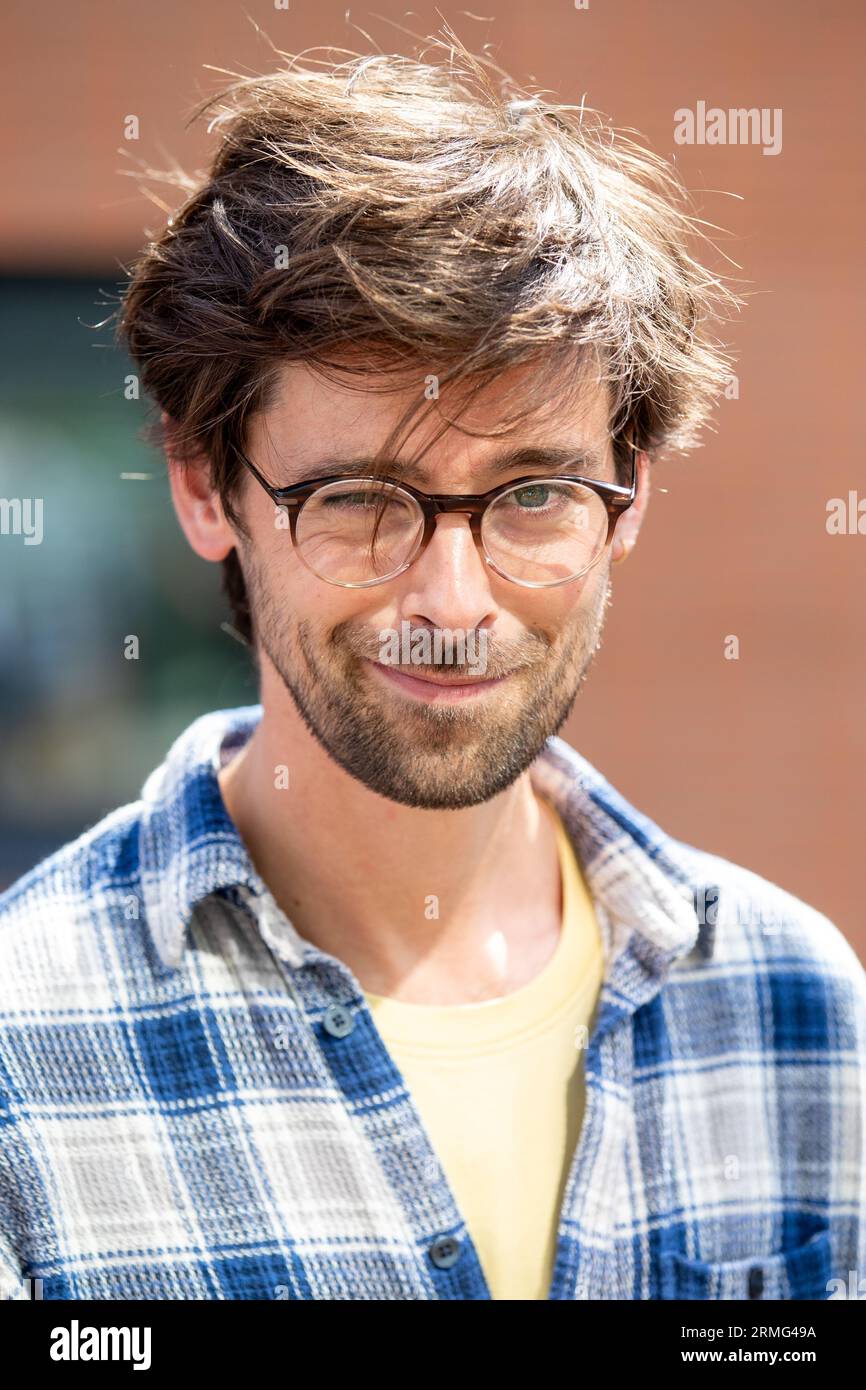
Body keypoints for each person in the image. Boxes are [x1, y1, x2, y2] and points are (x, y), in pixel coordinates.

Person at [1, 39, 864, 1303]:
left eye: (534, 493)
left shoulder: (793, 1009)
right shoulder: (24, 1046)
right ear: (203, 487)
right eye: (359, 497)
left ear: (627, 497)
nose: (452, 602)